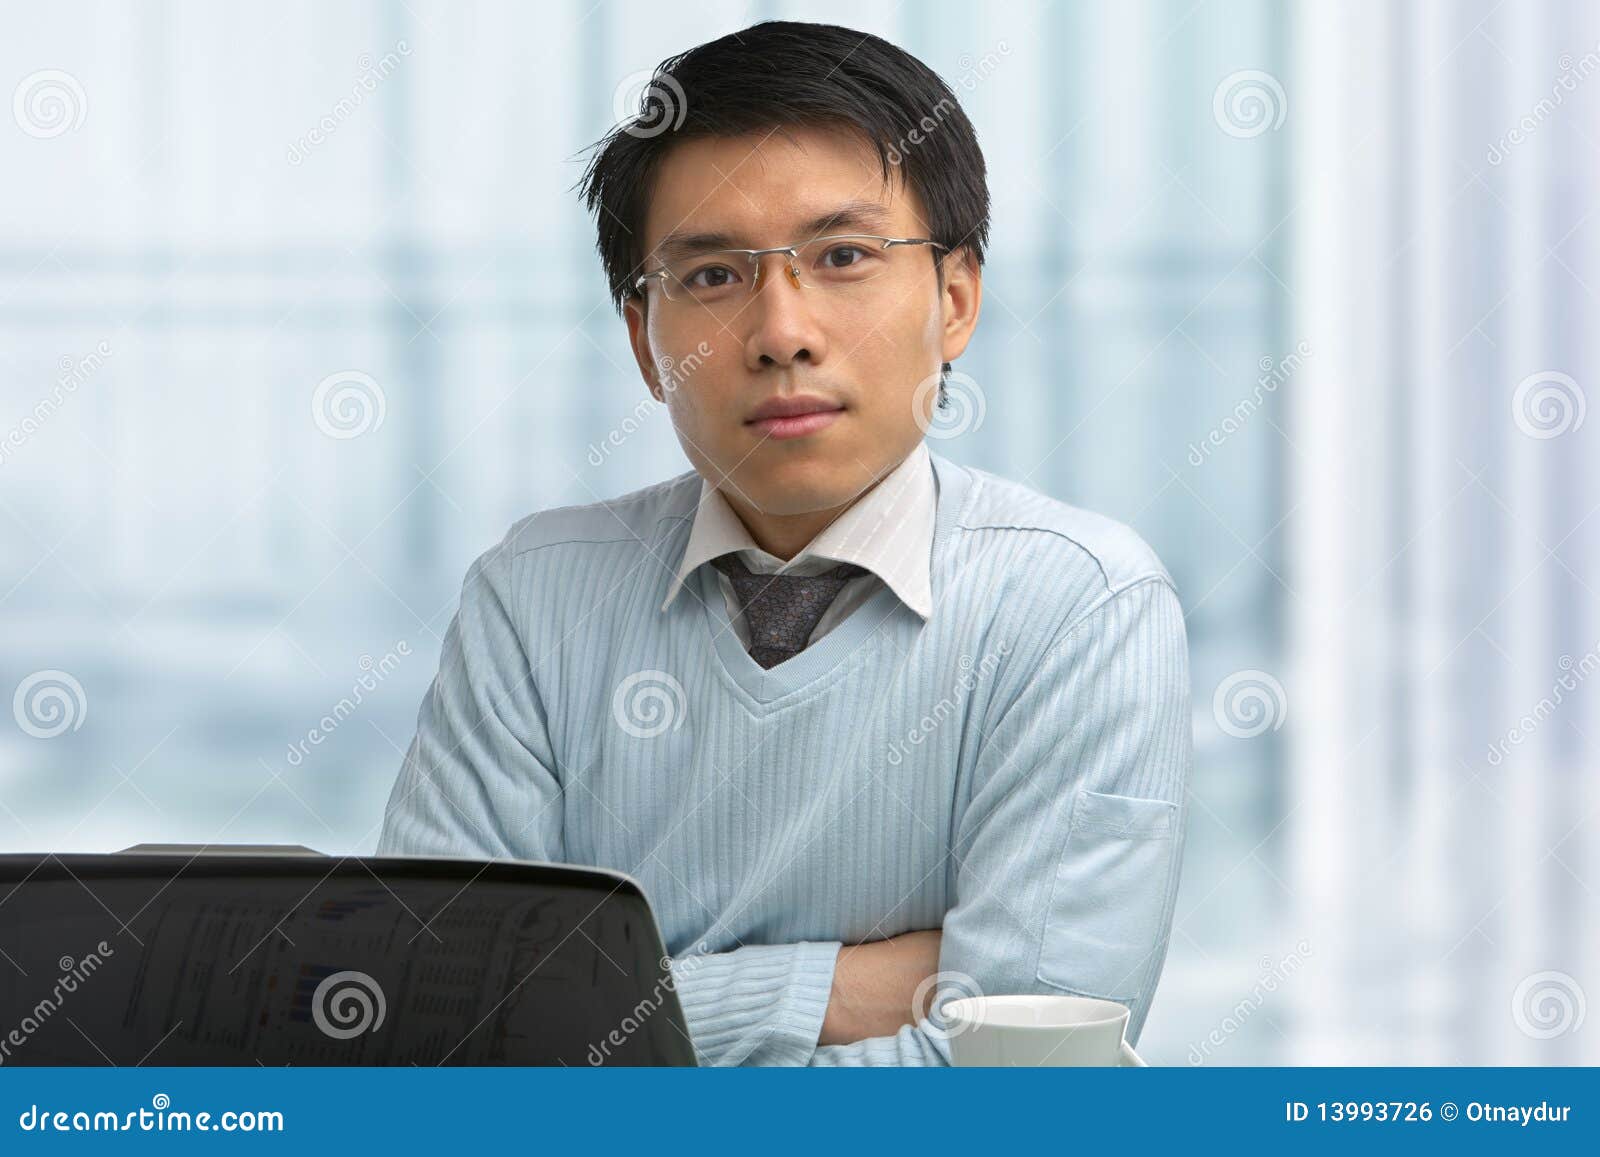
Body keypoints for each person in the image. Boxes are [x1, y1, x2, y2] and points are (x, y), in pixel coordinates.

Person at [378, 19, 1192, 1066]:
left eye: (843, 256)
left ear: (954, 298)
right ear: (643, 341)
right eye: (712, 276)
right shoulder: (534, 600)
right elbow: (434, 1043)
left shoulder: (1077, 604)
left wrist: (601, 1016)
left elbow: (1025, 1089)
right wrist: (838, 987)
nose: (782, 332)